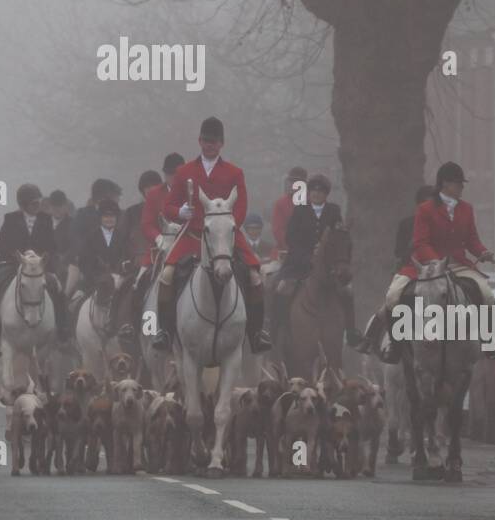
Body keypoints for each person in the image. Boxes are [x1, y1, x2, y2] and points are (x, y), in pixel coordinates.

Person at [153, 117, 271, 354]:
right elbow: (168, 207)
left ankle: (256, 333)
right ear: (199, 141)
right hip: (192, 236)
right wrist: (180, 212)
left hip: (226, 236)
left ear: (222, 143)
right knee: (166, 275)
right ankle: (164, 331)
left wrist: (225, 226)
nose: (210, 145)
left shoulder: (234, 173)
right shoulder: (184, 171)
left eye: (214, 141)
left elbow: (241, 208)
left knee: (255, 277)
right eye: (206, 141)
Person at [362, 162, 495, 358]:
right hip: (425, 265)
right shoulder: (425, 209)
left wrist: (483, 252)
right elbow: (421, 243)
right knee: (393, 295)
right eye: (458, 184)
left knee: (487, 294)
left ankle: (490, 344)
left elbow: (472, 240)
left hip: (457, 264)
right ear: (445, 184)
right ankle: (395, 346)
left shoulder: (466, 209)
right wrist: (435, 263)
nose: (462, 188)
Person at [273, 174, 363, 348]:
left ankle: (351, 331)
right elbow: (291, 238)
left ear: (326, 194)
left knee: (347, 291)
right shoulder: (300, 210)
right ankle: (275, 329)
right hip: (299, 263)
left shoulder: (334, 211)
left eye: (320, 191)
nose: (316, 194)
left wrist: (329, 259)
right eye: (313, 190)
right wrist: (308, 256)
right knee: (279, 287)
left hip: (327, 266)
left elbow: (339, 239)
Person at [0, 183, 71, 343]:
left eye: (38, 202)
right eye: (34, 203)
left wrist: (39, 258)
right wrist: (18, 257)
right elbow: (1, 245)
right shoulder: (10, 219)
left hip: (39, 266)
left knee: (57, 288)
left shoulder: (46, 219)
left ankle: (63, 328)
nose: (38, 206)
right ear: (23, 205)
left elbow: (52, 246)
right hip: (13, 265)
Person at [65, 178, 122, 296]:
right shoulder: (82, 215)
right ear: (103, 198)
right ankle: (65, 307)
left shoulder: (120, 215)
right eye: (115, 198)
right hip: (84, 264)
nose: (118, 201)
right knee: (69, 293)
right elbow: (76, 239)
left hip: (114, 264)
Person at [76, 198, 129, 286]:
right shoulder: (90, 237)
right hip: (95, 282)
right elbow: (84, 262)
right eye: (106, 216)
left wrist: (120, 275)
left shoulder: (123, 237)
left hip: (119, 280)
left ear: (117, 217)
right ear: (100, 217)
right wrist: (98, 276)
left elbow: (127, 259)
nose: (109, 219)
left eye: (112, 216)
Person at [394, 185, 435, 268]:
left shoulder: (442, 223)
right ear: (419, 205)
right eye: (427, 204)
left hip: (438, 267)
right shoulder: (406, 224)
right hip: (412, 267)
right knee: (400, 281)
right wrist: (412, 246)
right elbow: (398, 252)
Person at [271, 166, 308, 255]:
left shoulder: (311, 202)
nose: (294, 185)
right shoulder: (281, 203)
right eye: (292, 181)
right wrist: (291, 247)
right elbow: (278, 230)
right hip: (286, 250)